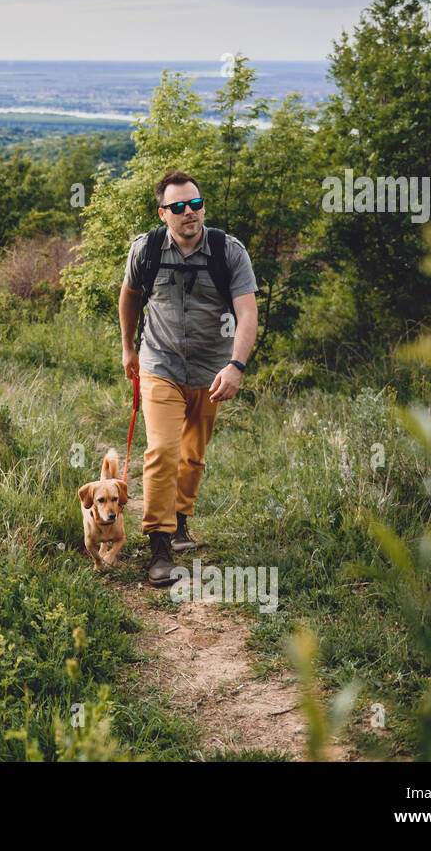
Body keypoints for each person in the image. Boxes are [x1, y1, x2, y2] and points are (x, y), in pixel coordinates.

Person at [119, 170, 259, 587]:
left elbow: (248, 312)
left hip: (211, 369)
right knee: (162, 449)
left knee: (192, 453)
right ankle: (159, 545)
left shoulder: (228, 251)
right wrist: (128, 347)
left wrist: (236, 366)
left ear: (203, 207)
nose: (189, 213)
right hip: (159, 363)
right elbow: (129, 296)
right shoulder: (145, 250)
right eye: (178, 207)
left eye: (195, 204)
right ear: (163, 213)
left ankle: (181, 522)